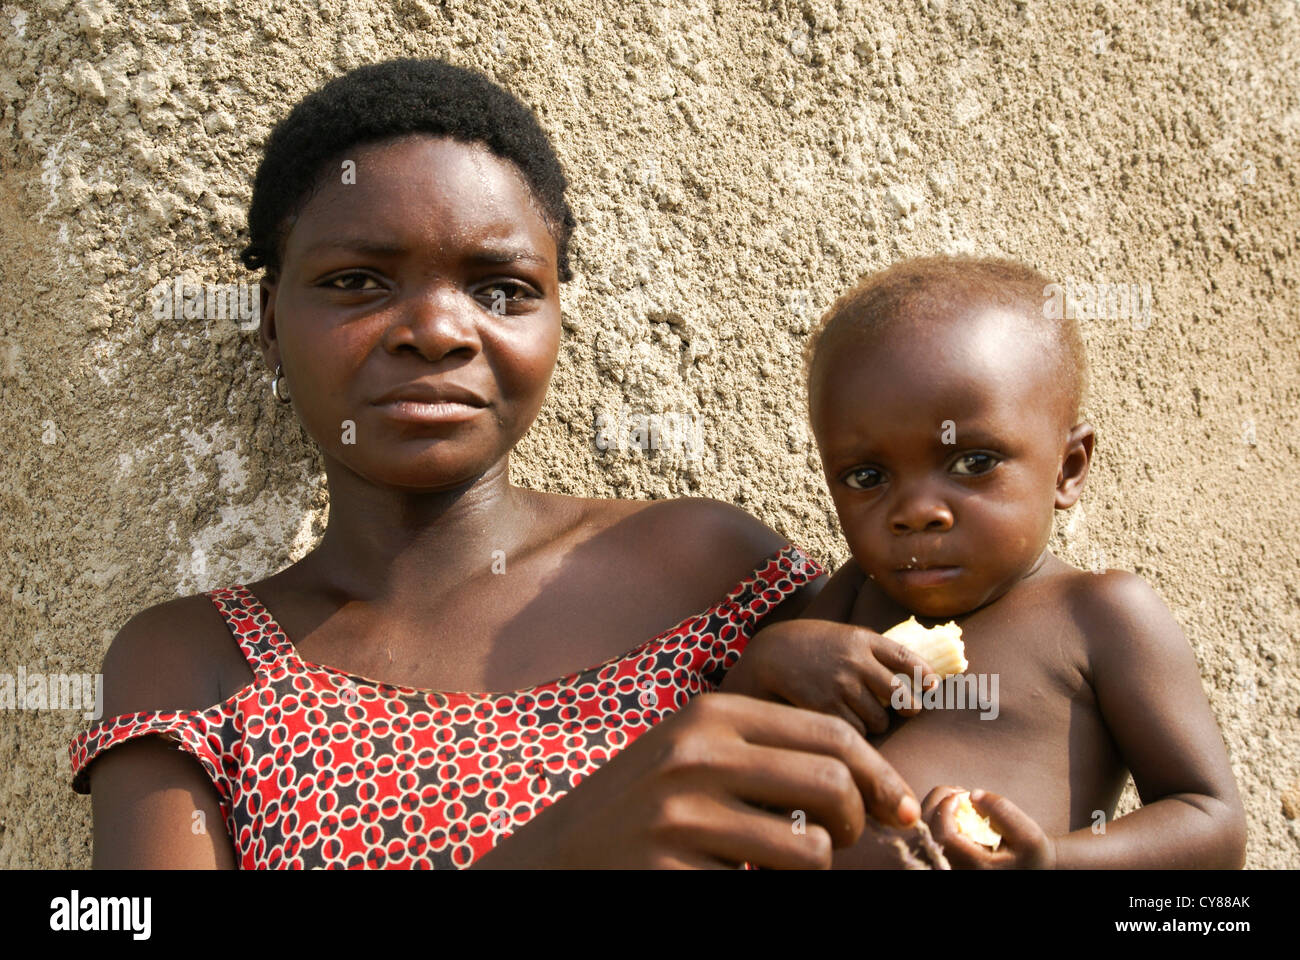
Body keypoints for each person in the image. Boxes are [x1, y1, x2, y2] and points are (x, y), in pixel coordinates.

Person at [68, 58, 924, 869]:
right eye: (358, 282)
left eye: (501, 290)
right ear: (269, 325)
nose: (437, 330)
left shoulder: (708, 570)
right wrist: (555, 851)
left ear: (556, 319)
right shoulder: (194, 664)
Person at [722, 256, 1248, 868]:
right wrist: (766, 663)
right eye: (867, 476)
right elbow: (729, 755)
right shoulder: (852, 600)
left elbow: (1210, 821)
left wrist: (1050, 859)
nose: (916, 512)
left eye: (973, 462)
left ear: (1068, 467)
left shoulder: (1097, 615)